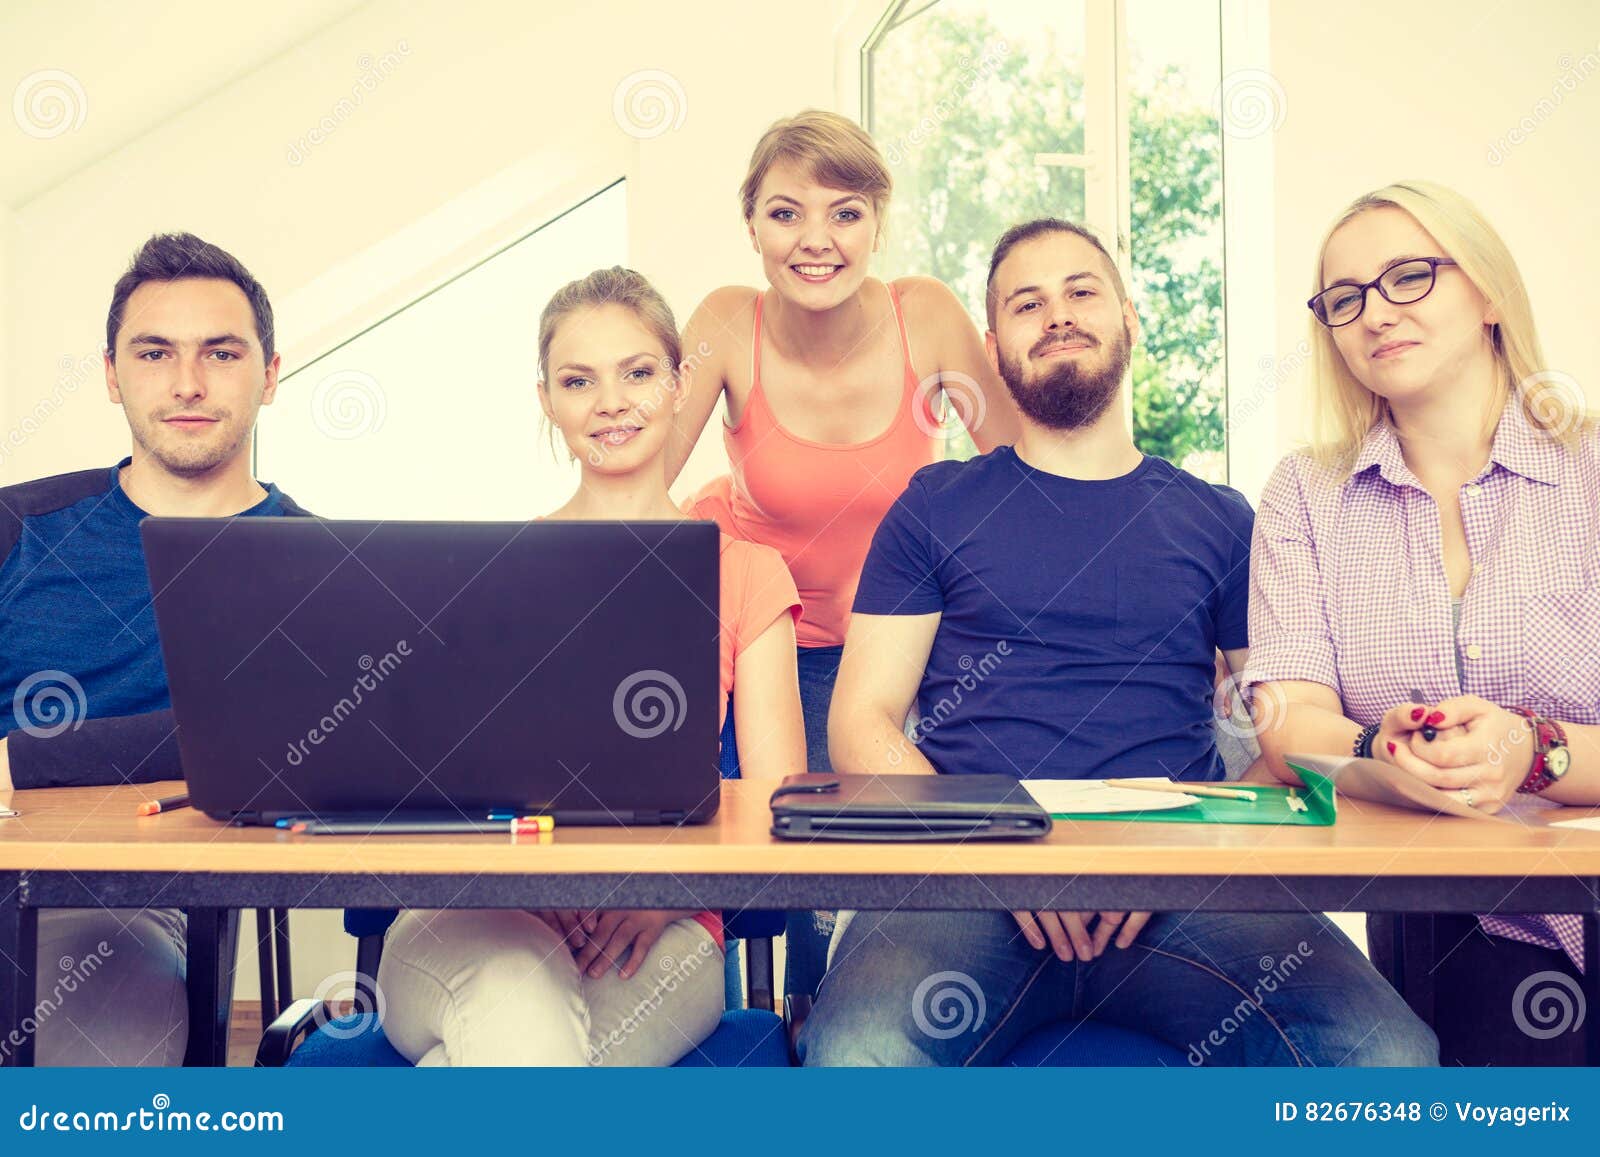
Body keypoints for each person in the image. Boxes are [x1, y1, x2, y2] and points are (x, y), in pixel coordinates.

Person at [796, 217, 1438, 1067]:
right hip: (967, 877)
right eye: (1027, 303)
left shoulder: (1221, 519)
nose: (1057, 314)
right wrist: (1002, 848)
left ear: (1129, 318)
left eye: (1081, 291)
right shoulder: (934, 505)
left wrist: (1184, 853)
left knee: (1386, 1053)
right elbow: (862, 723)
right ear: (993, 348)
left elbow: (1287, 732)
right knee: (857, 1057)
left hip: (1182, 890)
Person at [377, 267, 805, 1066]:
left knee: (502, 1053)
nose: (611, 402)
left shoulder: (747, 574)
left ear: (679, 385)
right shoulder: (490, 571)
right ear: (547, 400)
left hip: (665, 930)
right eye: (579, 381)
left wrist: (661, 894)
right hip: (476, 915)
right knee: (513, 1003)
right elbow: (442, 787)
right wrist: (530, 890)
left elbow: (775, 807)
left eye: (637, 373)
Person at [1243, 180, 1599, 1065]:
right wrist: (1379, 748)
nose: (1375, 313)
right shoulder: (1306, 493)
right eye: (1345, 298)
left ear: (1488, 293)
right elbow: (1290, 721)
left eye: (1409, 276)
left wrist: (1534, 750)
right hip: (1442, 918)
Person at [667, 110, 1021, 995]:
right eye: (786, 213)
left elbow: (1021, 480)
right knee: (755, 862)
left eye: (846, 213)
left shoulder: (923, 315)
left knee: (870, 873)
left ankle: (828, 1013)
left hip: (891, 649)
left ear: (878, 223)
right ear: (752, 225)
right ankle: (748, 1018)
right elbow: (640, 478)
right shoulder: (726, 321)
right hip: (765, 644)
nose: (816, 239)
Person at [0, 232, 310, 1065]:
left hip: (108, 902)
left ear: (270, 374)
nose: (187, 383)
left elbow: (258, 742)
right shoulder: (17, 528)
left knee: (111, 1039)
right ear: (112, 375)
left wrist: (21, 758)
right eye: (154, 352)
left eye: (221, 352)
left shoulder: (322, 568)